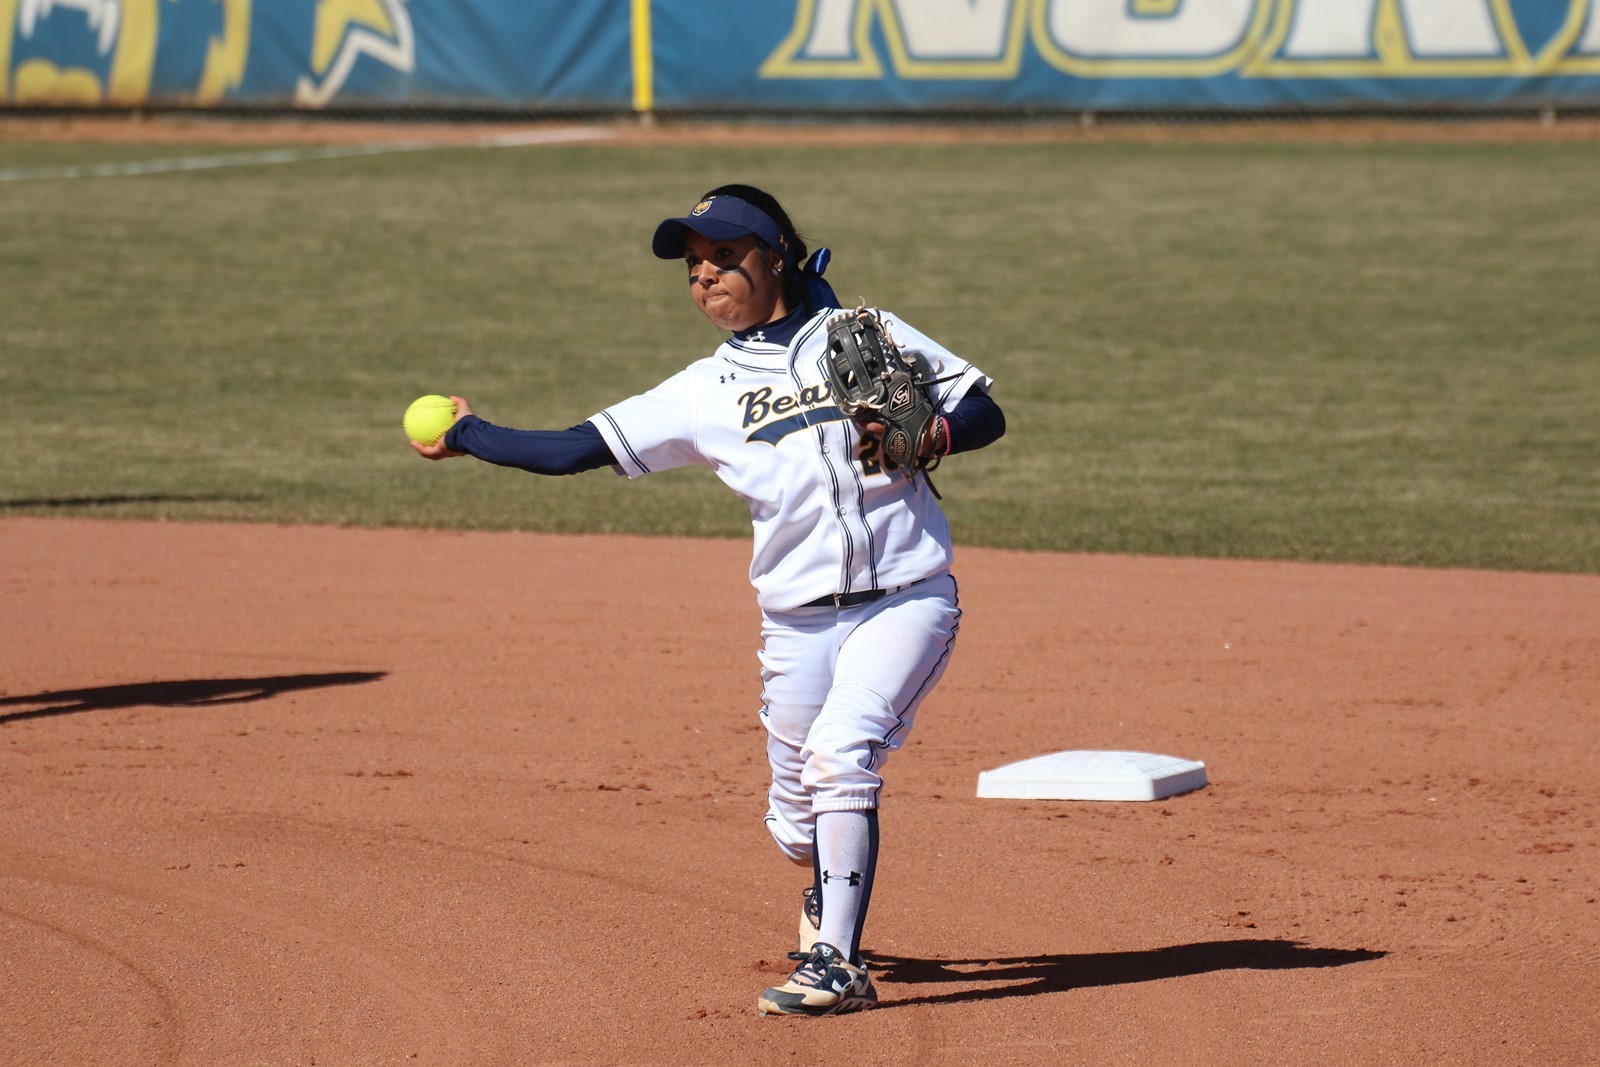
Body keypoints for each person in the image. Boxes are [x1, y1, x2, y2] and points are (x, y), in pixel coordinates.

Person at [412, 184, 1005, 1016]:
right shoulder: (702, 390)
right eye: (693, 266)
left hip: (906, 600)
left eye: (725, 257)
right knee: (796, 825)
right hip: (797, 625)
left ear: (776, 259)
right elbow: (574, 449)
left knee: (844, 752)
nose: (706, 277)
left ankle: (839, 960)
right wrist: (470, 432)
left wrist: (936, 432)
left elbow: (984, 409)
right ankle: (825, 894)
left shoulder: (861, 337)